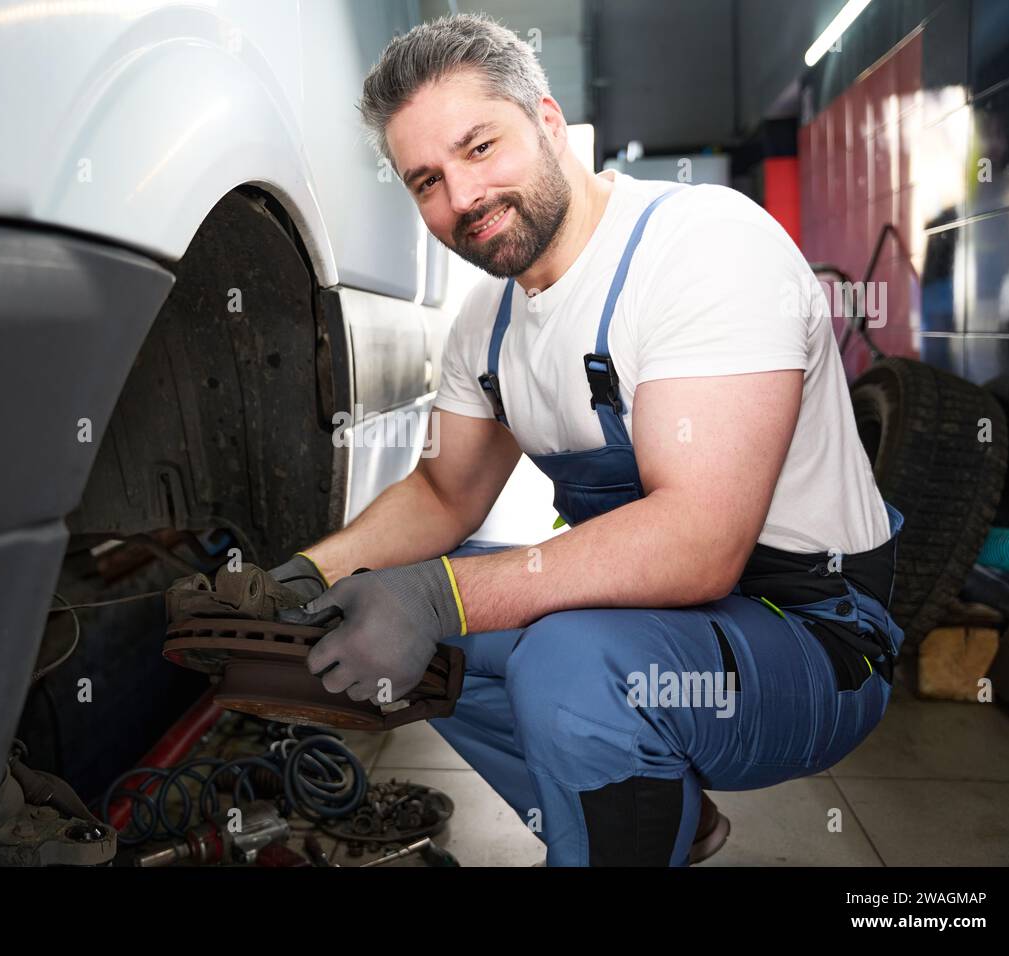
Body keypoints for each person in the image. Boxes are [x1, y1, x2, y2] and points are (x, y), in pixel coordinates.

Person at [270, 12, 904, 867]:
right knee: (400, 623)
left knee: (568, 664)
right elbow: (442, 495)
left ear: (549, 120)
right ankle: (663, 818)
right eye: (425, 180)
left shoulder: (703, 247)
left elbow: (700, 542)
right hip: (658, 619)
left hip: (811, 632)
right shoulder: (483, 326)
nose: (461, 199)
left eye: (480, 147)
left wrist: (438, 595)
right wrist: (313, 576)